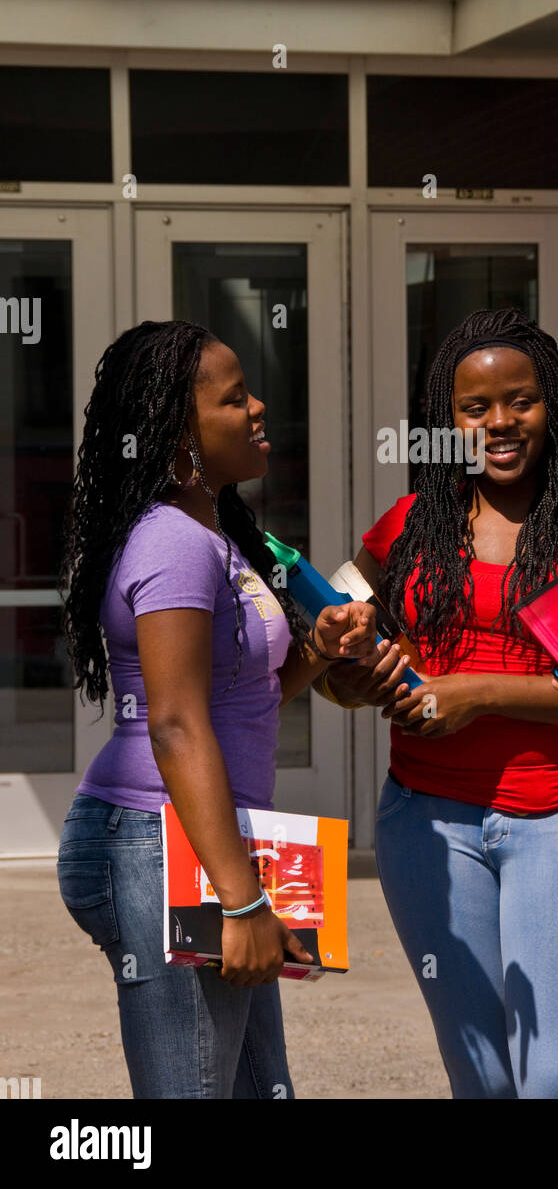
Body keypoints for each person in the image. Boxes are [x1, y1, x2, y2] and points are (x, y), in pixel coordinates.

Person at [319, 307, 558, 1099]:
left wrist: (476, 694)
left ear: (554, 409)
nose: (500, 422)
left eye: (521, 400)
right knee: (480, 1078)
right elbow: (332, 671)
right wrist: (357, 672)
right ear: (447, 422)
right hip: (426, 825)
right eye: (475, 408)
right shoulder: (400, 530)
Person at [57, 320, 377, 1099]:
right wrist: (242, 900)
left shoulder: (216, 535)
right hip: (162, 845)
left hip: (202, 839)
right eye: (235, 399)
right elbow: (174, 721)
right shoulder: (172, 542)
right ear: (179, 436)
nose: (259, 407)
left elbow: (242, 694)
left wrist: (322, 650)